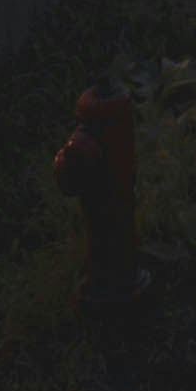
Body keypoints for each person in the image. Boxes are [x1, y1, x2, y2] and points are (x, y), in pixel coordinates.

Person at [51, 84, 137, 316]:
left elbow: (67, 180)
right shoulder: (97, 140)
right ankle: (118, 277)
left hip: (105, 208)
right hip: (118, 216)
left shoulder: (84, 146)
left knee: (104, 218)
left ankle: (106, 278)